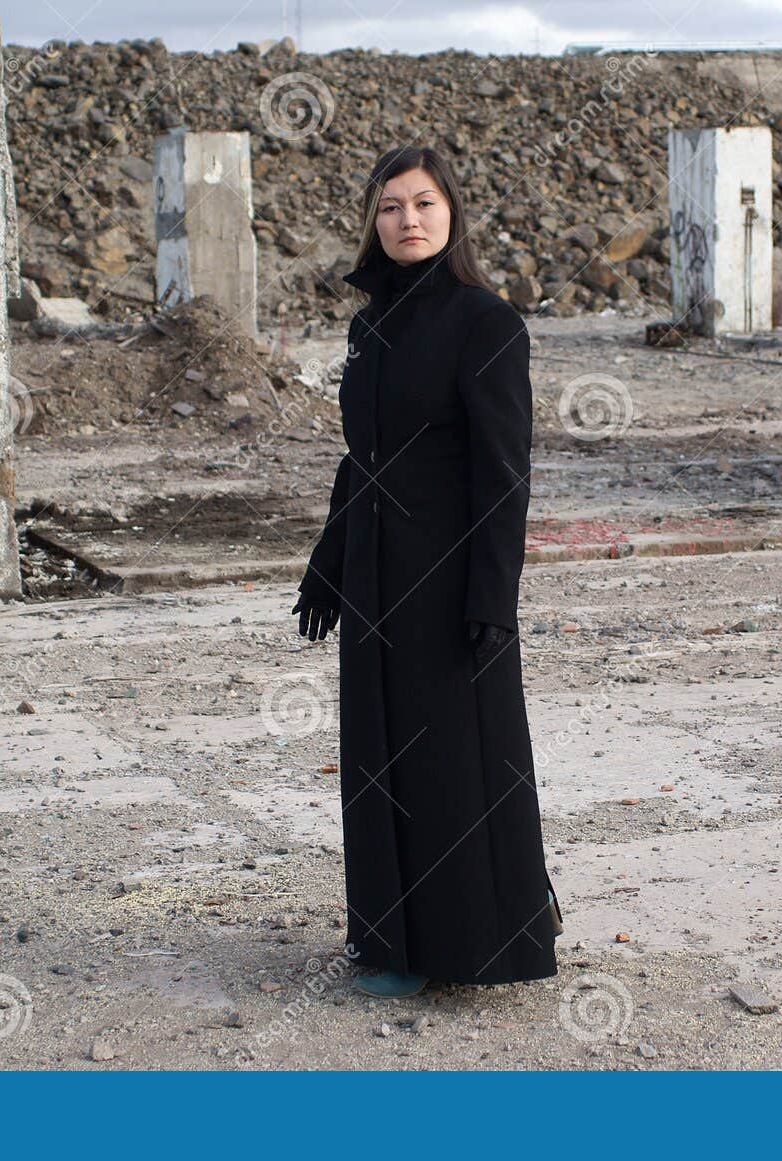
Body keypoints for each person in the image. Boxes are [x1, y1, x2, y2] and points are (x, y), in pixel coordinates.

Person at [292, 145, 563, 998]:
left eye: (423, 204)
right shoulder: (368, 324)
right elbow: (358, 458)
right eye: (389, 208)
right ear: (373, 224)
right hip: (377, 579)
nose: (407, 220)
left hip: (449, 586)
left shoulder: (487, 323)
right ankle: (388, 942)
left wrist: (493, 596)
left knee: (455, 764)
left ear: (452, 214)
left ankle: (473, 944)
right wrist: (327, 565)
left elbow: (503, 472)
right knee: (379, 759)